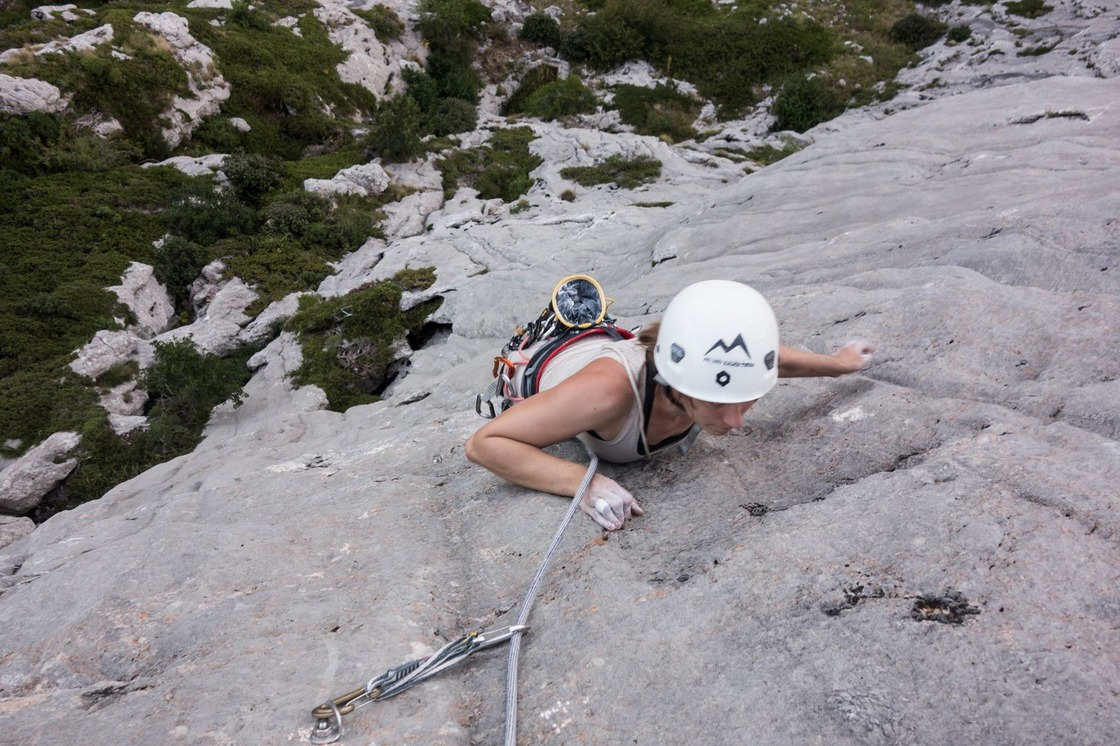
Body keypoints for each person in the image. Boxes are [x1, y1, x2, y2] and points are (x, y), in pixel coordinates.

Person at [465, 280, 873, 531]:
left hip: (616, 345)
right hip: (548, 361)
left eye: (743, 401)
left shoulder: (702, 369)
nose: (735, 421)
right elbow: (485, 444)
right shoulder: (608, 393)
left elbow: (768, 357)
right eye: (717, 403)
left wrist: (838, 365)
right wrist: (583, 484)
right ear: (674, 378)